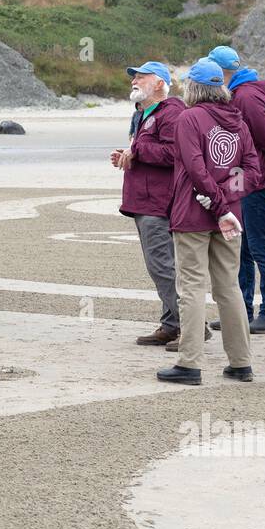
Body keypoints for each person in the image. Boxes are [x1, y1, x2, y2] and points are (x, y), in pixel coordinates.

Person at [157, 58, 259, 386]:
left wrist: (215, 201)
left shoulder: (189, 119)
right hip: (229, 217)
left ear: (194, 87)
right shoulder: (238, 122)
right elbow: (251, 172)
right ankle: (241, 362)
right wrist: (228, 198)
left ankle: (189, 362)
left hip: (193, 214)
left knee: (191, 287)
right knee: (228, 287)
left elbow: (195, 167)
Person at [208, 45, 265, 334]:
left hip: (257, 183)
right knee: (244, 250)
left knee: (260, 247)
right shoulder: (241, 93)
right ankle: (243, 309)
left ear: (223, 72)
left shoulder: (247, 97)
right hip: (248, 181)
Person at [112, 62, 188, 347]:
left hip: (158, 203)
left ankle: (192, 327)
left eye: (141, 77)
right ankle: (171, 324)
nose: (134, 81)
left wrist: (138, 150)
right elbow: (150, 151)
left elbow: (174, 153)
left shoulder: (171, 113)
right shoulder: (145, 114)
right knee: (158, 266)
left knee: (163, 267)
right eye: (134, 76)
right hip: (145, 201)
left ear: (159, 84)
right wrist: (128, 154)